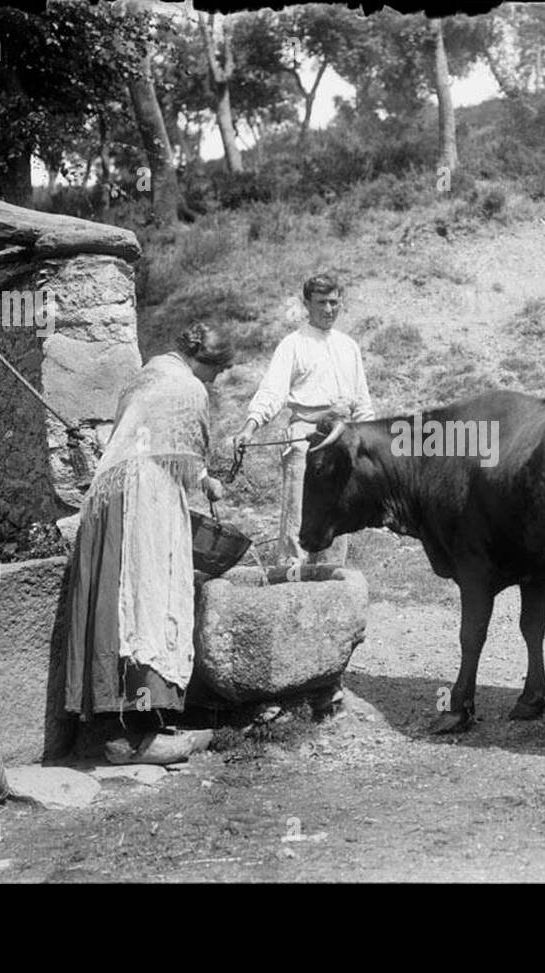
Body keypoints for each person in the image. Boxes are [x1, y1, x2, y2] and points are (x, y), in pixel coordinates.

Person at [64, 321, 232, 763]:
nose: (216, 381)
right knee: (150, 597)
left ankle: (113, 731)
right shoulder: (189, 388)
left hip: (108, 492)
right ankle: (148, 732)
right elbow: (185, 451)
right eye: (218, 371)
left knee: (115, 601)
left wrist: (201, 478)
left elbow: (157, 439)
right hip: (145, 495)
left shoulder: (148, 373)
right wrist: (207, 482)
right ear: (206, 361)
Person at [232, 274, 374, 567]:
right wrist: (251, 425)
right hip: (306, 433)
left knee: (339, 509)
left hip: (343, 434)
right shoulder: (293, 344)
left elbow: (361, 398)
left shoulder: (349, 346)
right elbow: (272, 390)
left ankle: (330, 577)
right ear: (307, 303)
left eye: (334, 302)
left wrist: (368, 437)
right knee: (300, 508)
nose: (328, 309)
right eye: (321, 302)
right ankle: (292, 576)